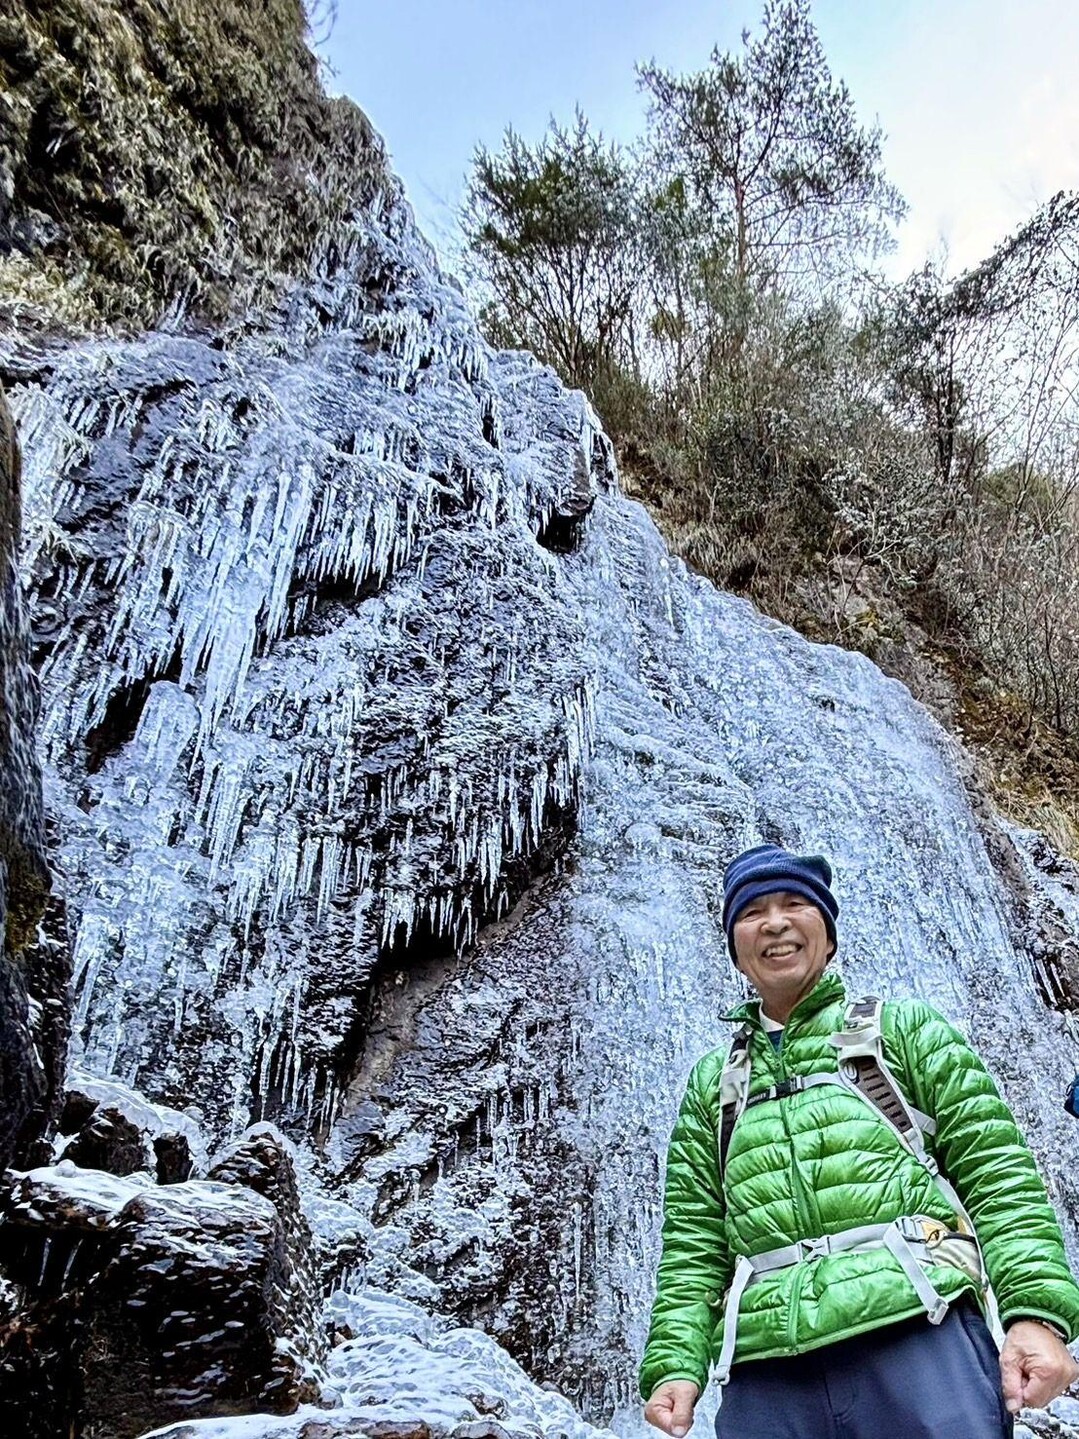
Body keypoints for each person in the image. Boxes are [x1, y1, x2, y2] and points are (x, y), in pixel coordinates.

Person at [640, 843, 1079, 1439]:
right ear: (737, 951)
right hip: (767, 1366)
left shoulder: (904, 1032)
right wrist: (675, 1364)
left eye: (795, 903)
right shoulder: (712, 1084)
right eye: (751, 912)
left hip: (917, 1328)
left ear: (828, 932)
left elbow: (999, 1177)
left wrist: (1035, 1317)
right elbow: (693, 1243)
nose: (774, 922)